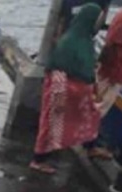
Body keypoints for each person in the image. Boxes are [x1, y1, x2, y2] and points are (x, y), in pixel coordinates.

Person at [31, 3, 108, 174]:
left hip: (77, 89)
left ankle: (90, 145)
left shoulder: (84, 39)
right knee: (52, 122)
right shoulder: (71, 42)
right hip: (63, 86)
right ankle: (39, 158)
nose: (99, 24)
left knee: (90, 114)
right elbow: (61, 67)